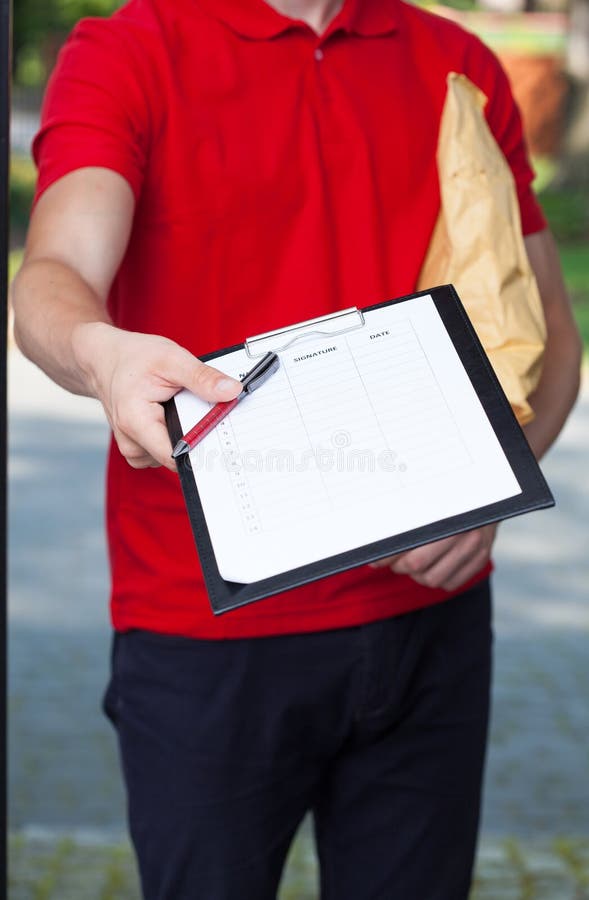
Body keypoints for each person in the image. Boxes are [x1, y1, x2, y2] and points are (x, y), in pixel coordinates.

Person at [11, 0, 582, 897]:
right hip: (206, 633)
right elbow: (53, 276)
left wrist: (497, 486)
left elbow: (548, 319)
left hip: (429, 622)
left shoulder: (456, 60)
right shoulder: (131, 46)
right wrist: (98, 351)